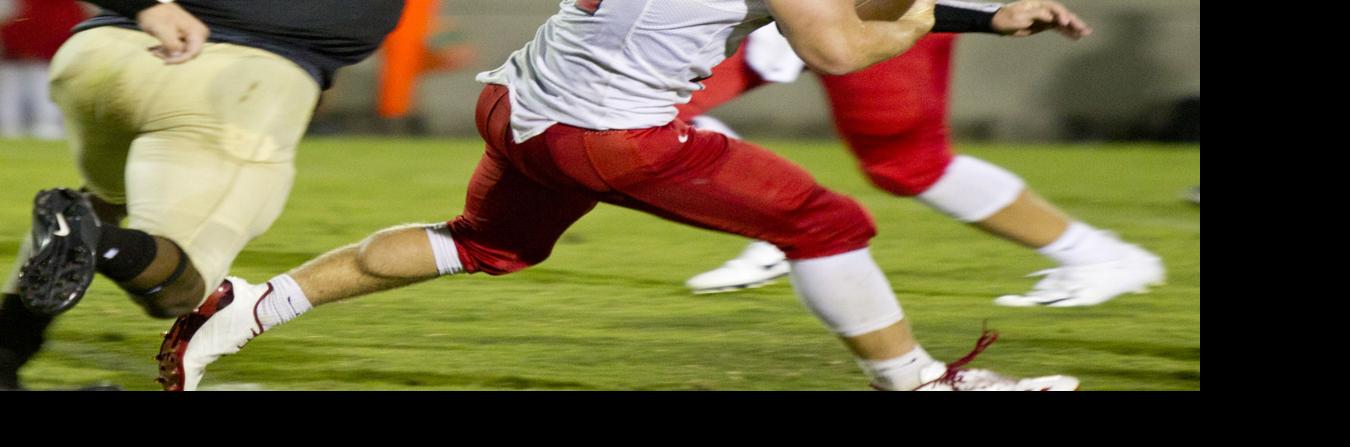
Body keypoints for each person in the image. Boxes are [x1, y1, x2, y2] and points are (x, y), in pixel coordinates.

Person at [160, 0, 1088, 393]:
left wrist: (982, 13)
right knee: (826, 221)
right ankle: (918, 381)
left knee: (489, 242)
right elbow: (839, 44)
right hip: (608, 133)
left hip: (516, 103)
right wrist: (928, 23)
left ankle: (247, 307)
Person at [0, 0, 405, 390]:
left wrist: (145, 6)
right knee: (177, 286)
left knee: (103, 198)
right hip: (235, 81)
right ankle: (93, 240)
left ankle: (5, 359)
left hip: (96, 58)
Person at [677, 16, 1163, 309]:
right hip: (776, 14)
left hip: (879, 15)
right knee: (644, 113)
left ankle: (1101, 258)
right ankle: (777, 229)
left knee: (908, 164)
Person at [0, 0, 84, 140]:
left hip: (46, 61)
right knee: (9, 109)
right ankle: (10, 128)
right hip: (13, 61)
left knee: (45, 107)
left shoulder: (64, 5)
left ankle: (46, 126)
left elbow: (68, 25)